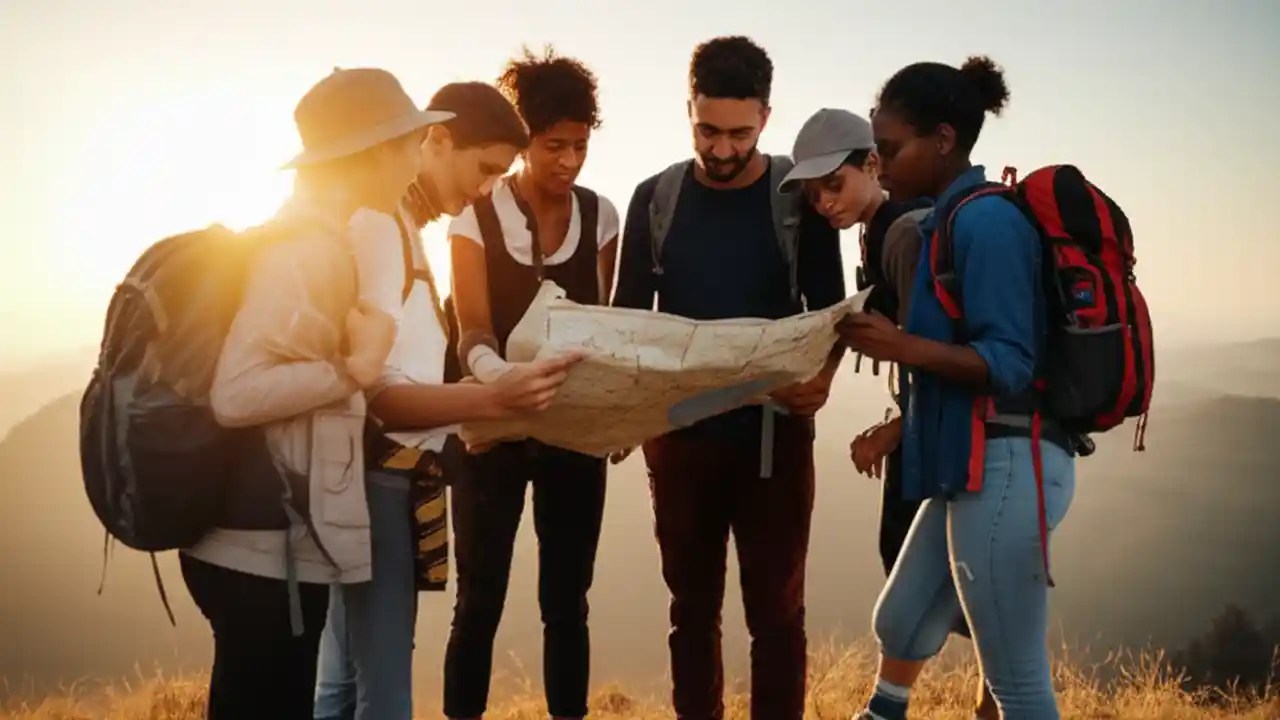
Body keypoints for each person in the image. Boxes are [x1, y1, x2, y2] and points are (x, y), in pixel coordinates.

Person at [309, 81, 584, 720]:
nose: (488, 189)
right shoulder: (382, 228)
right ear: (434, 142)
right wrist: (491, 401)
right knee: (381, 692)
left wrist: (475, 401)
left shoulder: (397, 227)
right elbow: (382, 400)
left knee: (340, 683)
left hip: (357, 480)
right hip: (378, 482)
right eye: (485, 168)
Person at [612, 36, 845, 720]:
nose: (720, 150)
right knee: (691, 612)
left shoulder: (797, 202)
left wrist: (825, 379)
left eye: (738, 133)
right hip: (679, 440)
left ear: (766, 120)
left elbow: (833, 313)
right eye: (706, 130)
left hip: (774, 441)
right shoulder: (654, 198)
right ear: (688, 110)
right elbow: (629, 320)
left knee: (776, 615)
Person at [838, 56, 1076, 720]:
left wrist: (898, 346)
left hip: (1010, 462)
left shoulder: (984, 222)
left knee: (1017, 684)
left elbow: (1008, 363)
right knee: (903, 617)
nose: (879, 165)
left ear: (943, 139)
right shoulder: (949, 218)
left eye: (889, 149)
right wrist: (897, 427)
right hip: (973, 462)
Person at [780, 107, 998, 720]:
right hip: (934, 431)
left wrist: (894, 430)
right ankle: (920, 701)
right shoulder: (881, 232)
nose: (824, 202)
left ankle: (988, 694)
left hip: (956, 437)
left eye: (834, 184)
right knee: (927, 566)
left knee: (949, 575)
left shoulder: (902, 234)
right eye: (813, 191)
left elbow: (943, 353)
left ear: (872, 164)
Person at [443, 48, 618, 720]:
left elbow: (602, 326)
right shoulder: (476, 215)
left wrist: (617, 412)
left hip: (572, 433)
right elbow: (472, 331)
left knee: (567, 603)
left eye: (580, 145)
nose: (569, 161)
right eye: (554, 146)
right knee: (478, 602)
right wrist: (500, 385)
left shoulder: (601, 218)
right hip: (491, 430)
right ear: (523, 142)